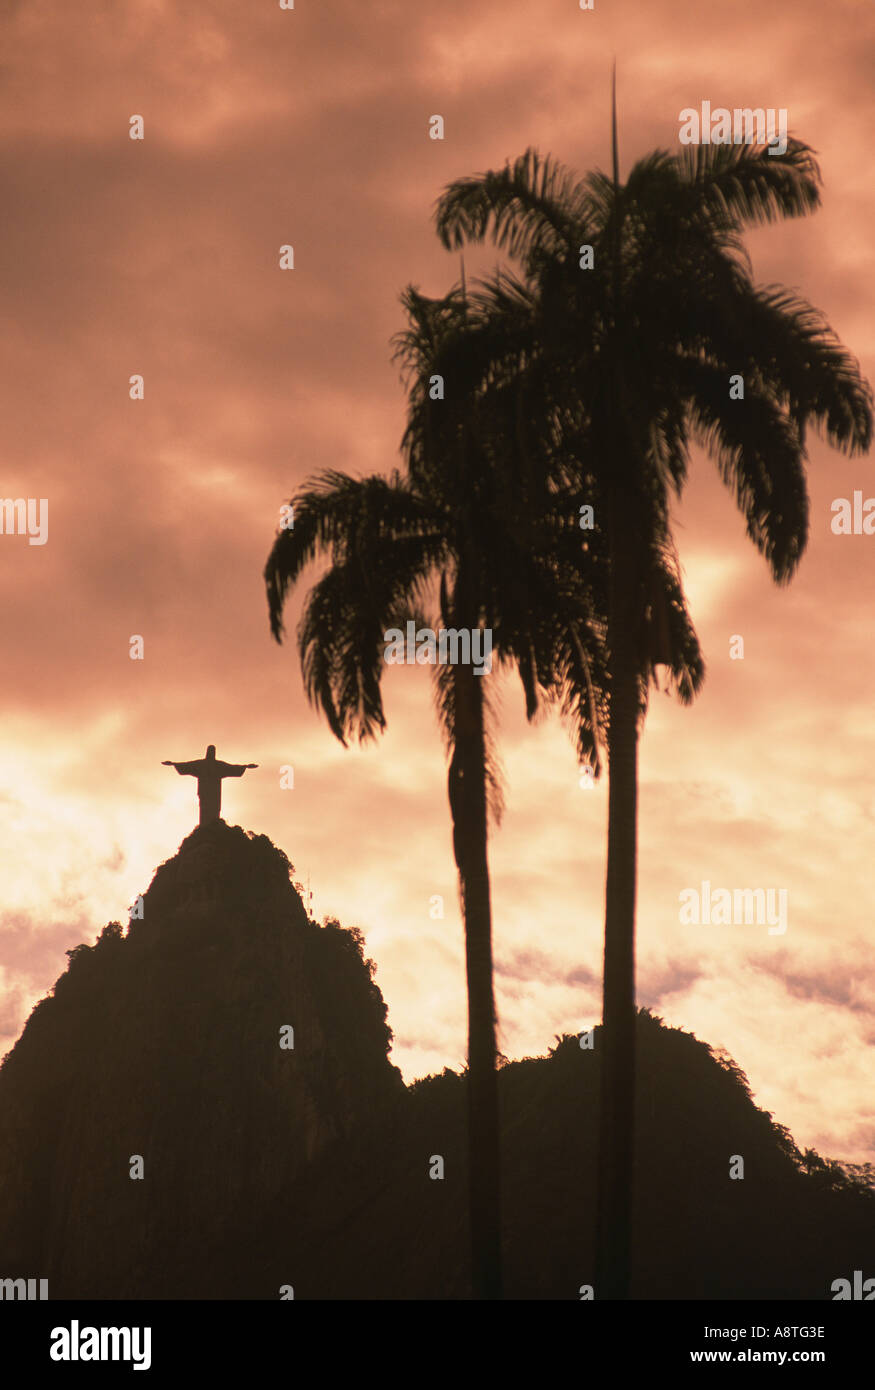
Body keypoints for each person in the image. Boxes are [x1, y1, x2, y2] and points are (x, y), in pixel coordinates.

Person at [162, 744, 257, 825]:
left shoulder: (219, 765)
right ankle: (204, 826)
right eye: (210, 750)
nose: (211, 752)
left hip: (215, 791)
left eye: (213, 751)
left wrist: (246, 766)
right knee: (204, 807)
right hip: (204, 790)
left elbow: (231, 767)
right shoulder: (201, 764)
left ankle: (214, 824)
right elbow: (187, 765)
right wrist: (174, 764)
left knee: (215, 807)